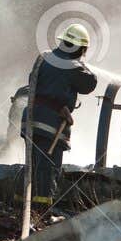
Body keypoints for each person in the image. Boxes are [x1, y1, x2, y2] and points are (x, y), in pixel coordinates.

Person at [25, 22, 98, 217]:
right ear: (81, 49)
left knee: (33, 164)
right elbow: (90, 84)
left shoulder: (44, 57)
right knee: (49, 167)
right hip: (50, 123)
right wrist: (82, 64)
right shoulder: (73, 66)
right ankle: (42, 211)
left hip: (31, 118)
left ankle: (26, 206)